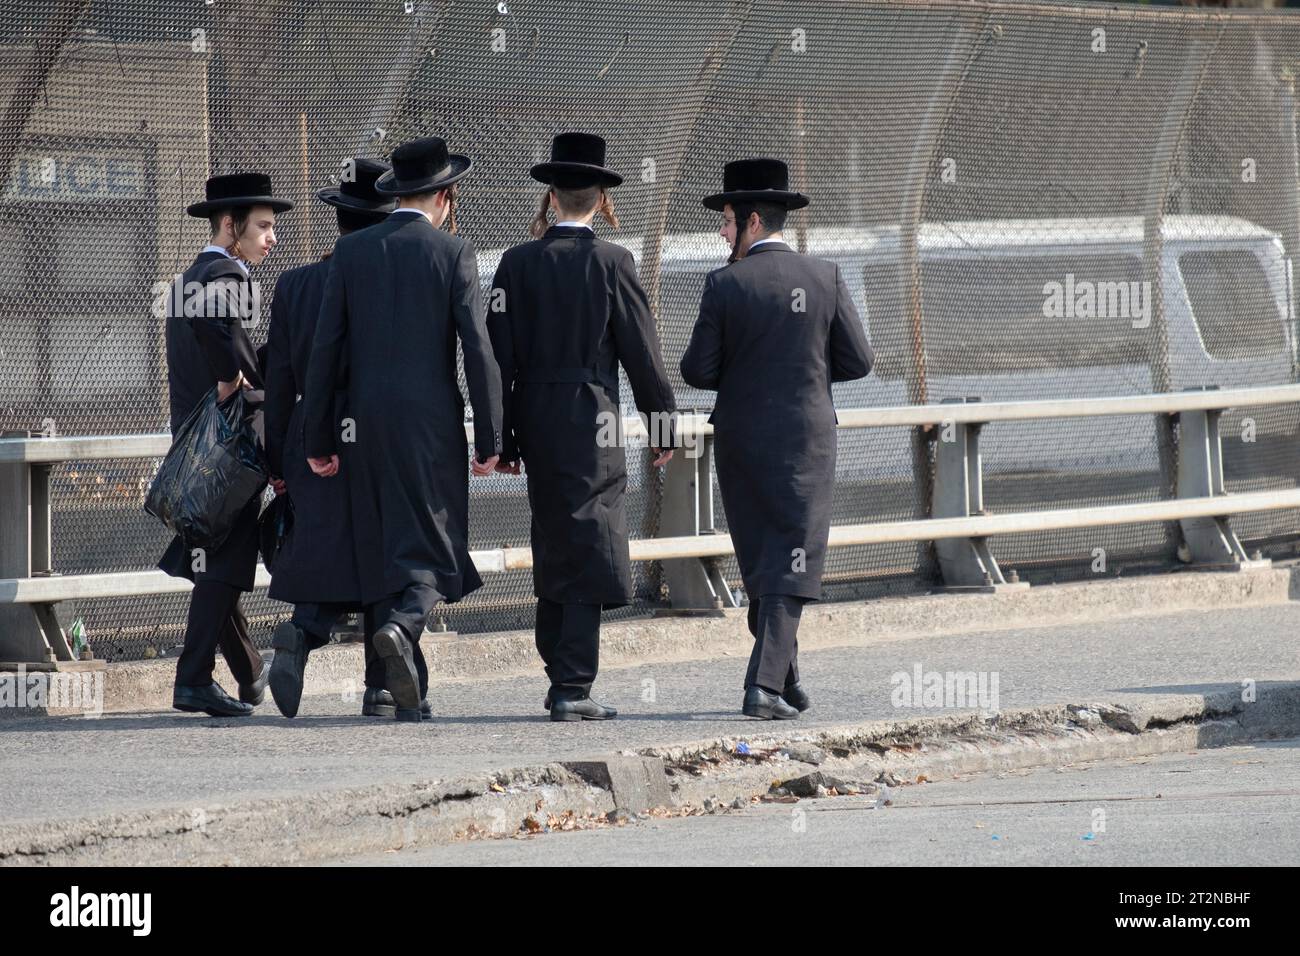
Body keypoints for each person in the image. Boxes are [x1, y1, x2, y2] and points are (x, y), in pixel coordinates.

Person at [302, 137, 504, 723]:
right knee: (438, 540)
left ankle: (399, 680)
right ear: (444, 196)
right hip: (430, 424)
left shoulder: (353, 252)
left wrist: (317, 438)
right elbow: (477, 349)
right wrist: (490, 436)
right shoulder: (453, 252)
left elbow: (325, 352)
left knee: (386, 540)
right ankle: (403, 624)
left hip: (361, 423)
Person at [488, 132, 678, 721]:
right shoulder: (613, 263)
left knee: (552, 534)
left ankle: (558, 672)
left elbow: (497, 358)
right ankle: (572, 684)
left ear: (550, 197)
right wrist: (664, 427)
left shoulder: (516, 263)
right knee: (593, 538)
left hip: (536, 416)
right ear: (601, 197)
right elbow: (642, 353)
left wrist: (502, 437)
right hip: (593, 414)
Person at [680, 158, 874, 720]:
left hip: (740, 443)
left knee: (767, 560)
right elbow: (858, 362)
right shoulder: (827, 277)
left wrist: (749, 366)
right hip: (805, 440)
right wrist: (803, 367)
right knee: (793, 558)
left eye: (725, 220)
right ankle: (763, 687)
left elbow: (697, 370)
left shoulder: (724, 285)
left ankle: (785, 680)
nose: (720, 231)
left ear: (753, 221)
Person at [263, 158, 419, 718]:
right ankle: (379, 687)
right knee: (387, 550)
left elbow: (277, 380)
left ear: (338, 219)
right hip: (379, 428)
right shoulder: (390, 282)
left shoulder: (295, 283)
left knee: (325, 542)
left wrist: (278, 454)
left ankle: (301, 634)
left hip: (310, 428)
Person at [162, 172, 293, 717]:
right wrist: (232, 374)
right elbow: (223, 341)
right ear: (229, 224)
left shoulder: (187, 278)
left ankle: (249, 673)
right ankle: (192, 679)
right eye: (262, 226)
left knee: (219, 562)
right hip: (229, 454)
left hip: (195, 448)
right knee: (225, 565)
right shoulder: (225, 276)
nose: (272, 237)